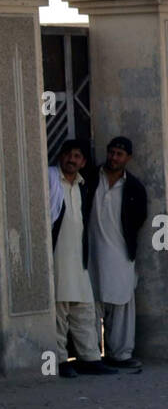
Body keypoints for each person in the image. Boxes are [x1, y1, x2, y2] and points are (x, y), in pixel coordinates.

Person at [49, 139, 116, 377]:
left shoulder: (82, 186)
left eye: (77, 156)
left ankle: (90, 358)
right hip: (56, 258)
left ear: (83, 162)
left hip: (78, 258)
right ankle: (59, 361)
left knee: (84, 311)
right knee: (58, 312)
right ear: (61, 157)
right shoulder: (50, 180)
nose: (72, 159)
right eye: (68, 155)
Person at [87, 136, 148, 369]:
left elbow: (139, 219)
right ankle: (90, 355)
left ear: (128, 158)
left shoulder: (134, 187)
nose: (114, 157)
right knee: (90, 305)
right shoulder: (92, 178)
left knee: (122, 303)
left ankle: (120, 354)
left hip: (121, 253)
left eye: (119, 154)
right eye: (111, 152)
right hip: (91, 254)